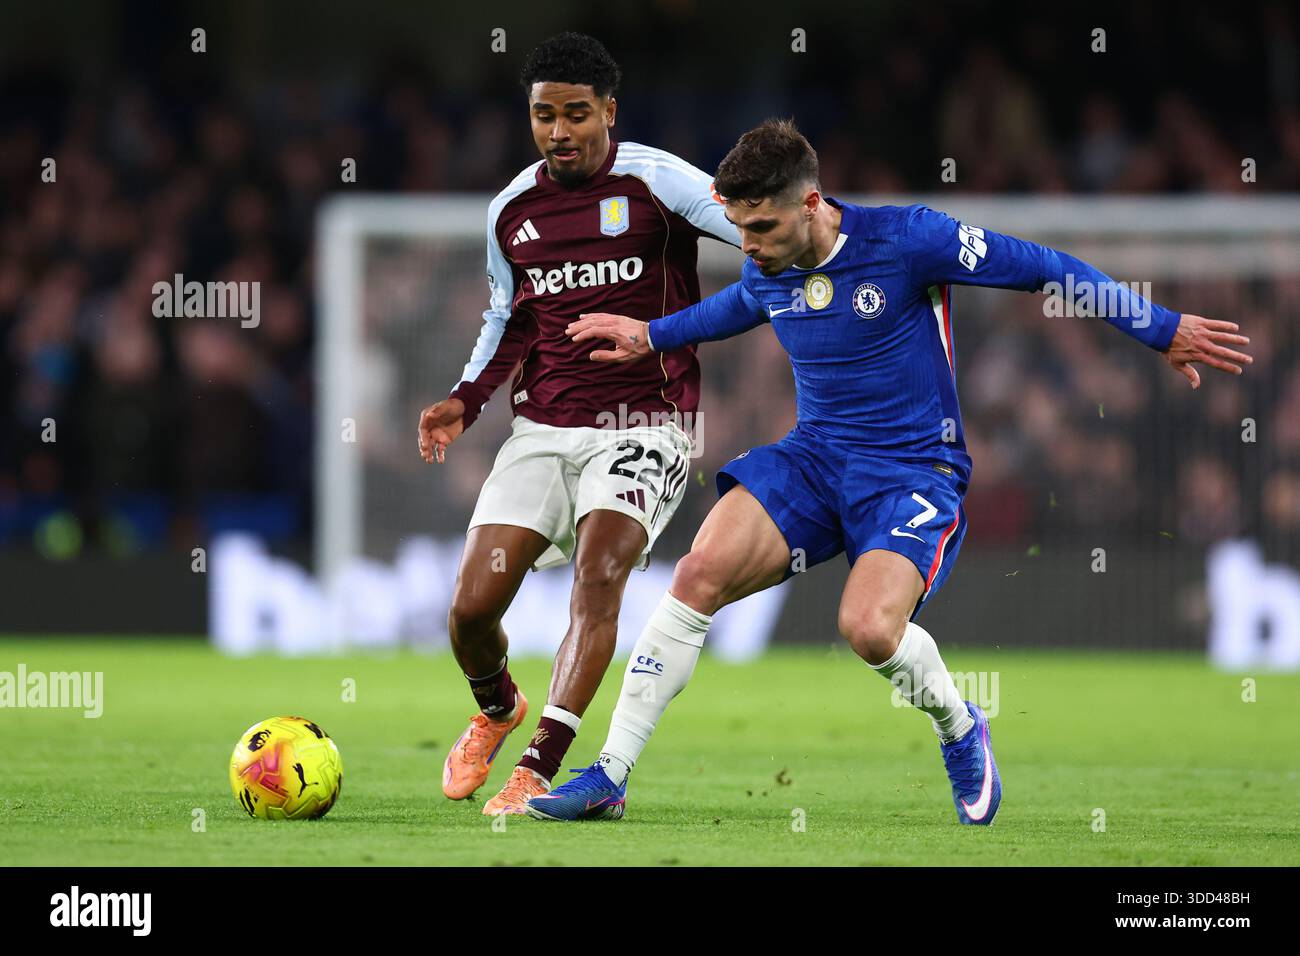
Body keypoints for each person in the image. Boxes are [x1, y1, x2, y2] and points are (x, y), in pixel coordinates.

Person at [529, 118, 1252, 825]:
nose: (748, 246)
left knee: (870, 629)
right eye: (740, 229)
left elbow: (1044, 268)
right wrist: (650, 334)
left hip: (911, 469)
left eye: (762, 229)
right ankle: (610, 776)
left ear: (811, 204)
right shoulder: (768, 262)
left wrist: (1159, 329)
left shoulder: (909, 240)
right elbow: (742, 304)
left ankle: (960, 728)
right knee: (694, 576)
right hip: (814, 459)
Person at [416, 33, 738, 815]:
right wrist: (466, 397)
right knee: (469, 611)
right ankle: (499, 709)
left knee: (599, 579)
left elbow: (757, 236)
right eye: (543, 116)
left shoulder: (660, 181)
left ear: (608, 112)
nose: (558, 131)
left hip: (646, 421)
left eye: (575, 114)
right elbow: (509, 317)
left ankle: (539, 767)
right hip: (543, 429)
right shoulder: (513, 211)